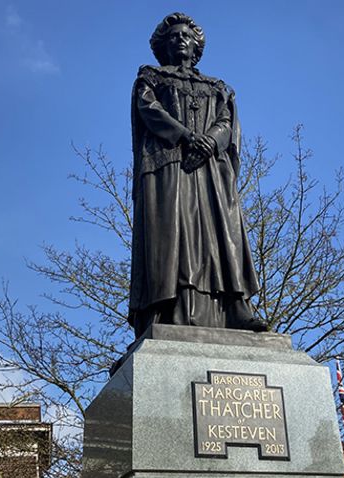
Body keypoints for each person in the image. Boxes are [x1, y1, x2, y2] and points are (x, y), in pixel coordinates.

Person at [128, 12, 268, 339]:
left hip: (211, 169)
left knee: (223, 236)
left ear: (196, 46)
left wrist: (210, 141)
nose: (180, 40)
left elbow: (226, 121)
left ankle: (236, 307)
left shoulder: (217, 87)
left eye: (186, 36)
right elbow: (150, 111)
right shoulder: (151, 78)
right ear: (163, 46)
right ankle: (169, 308)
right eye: (173, 36)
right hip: (169, 167)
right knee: (172, 237)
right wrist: (187, 137)